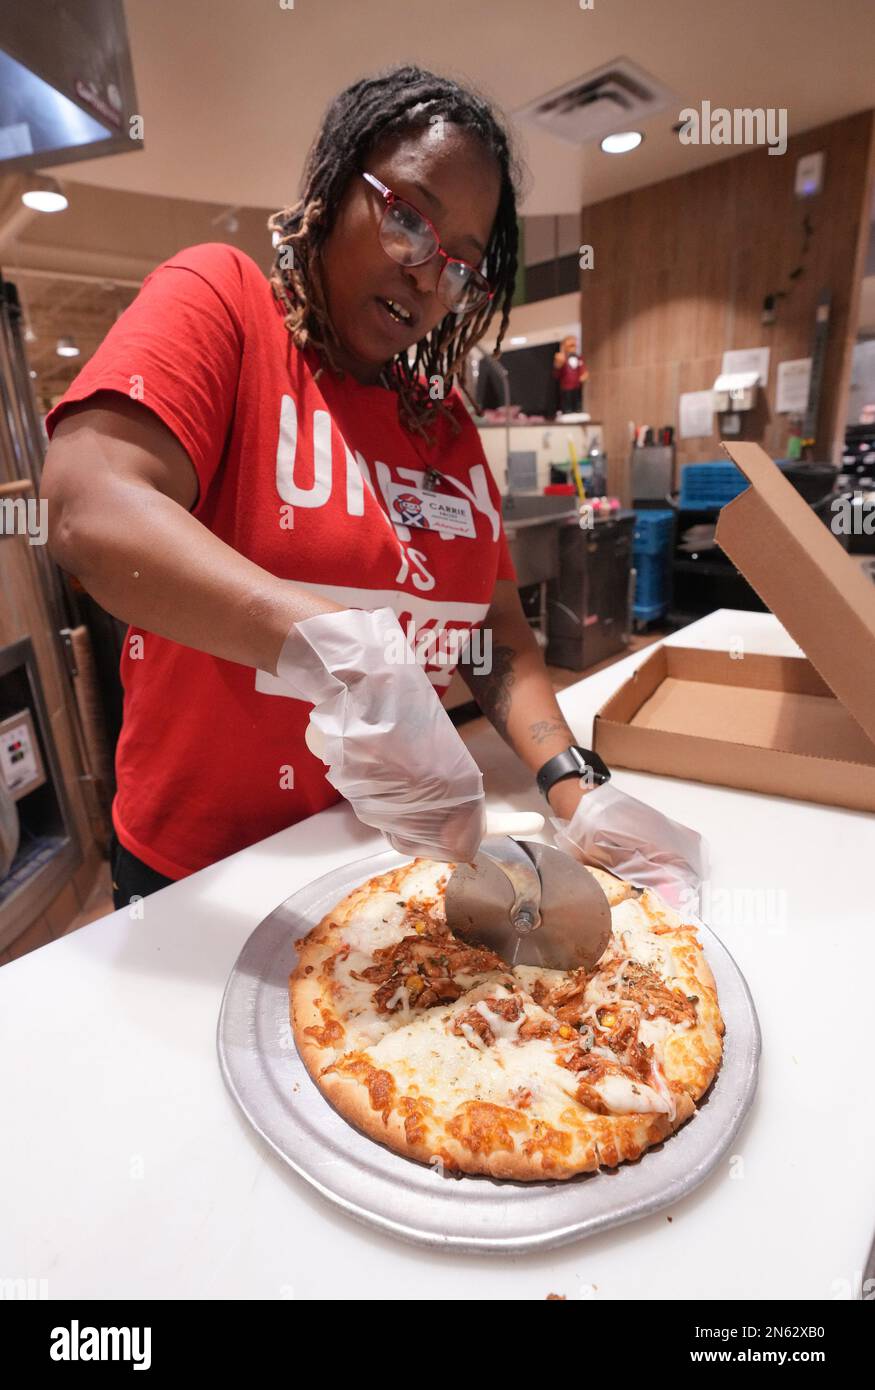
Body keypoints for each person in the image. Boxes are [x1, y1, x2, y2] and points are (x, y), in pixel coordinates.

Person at [41, 65, 703, 914]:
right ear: (330, 188)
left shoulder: (443, 421)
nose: (430, 278)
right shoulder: (226, 306)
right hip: (206, 881)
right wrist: (335, 651)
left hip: (386, 868)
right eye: (406, 220)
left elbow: (493, 632)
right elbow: (88, 507)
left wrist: (577, 787)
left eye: (461, 265)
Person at [553, 334, 588, 414]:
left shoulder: (579, 358)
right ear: (564, 346)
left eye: (574, 345)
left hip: (577, 386)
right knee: (567, 401)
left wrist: (584, 374)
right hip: (566, 387)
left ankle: (578, 409)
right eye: (571, 346)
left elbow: (582, 368)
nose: (573, 348)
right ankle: (567, 410)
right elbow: (556, 374)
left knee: (578, 400)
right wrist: (558, 365)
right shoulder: (561, 358)